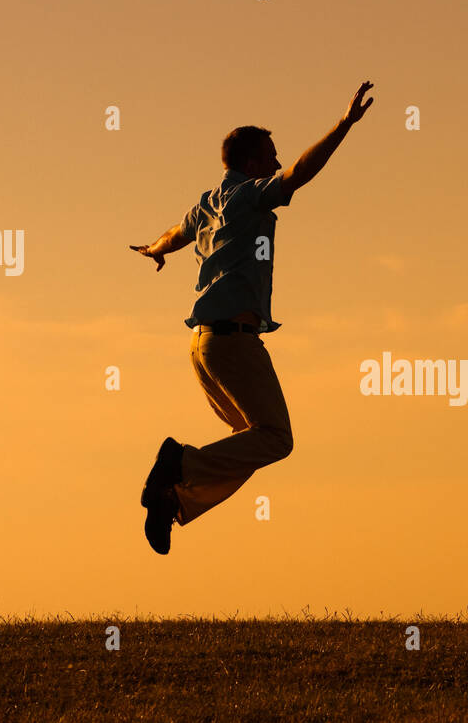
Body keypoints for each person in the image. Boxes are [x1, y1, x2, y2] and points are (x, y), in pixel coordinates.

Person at [129, 81, 376, 554]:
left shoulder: (207, 203)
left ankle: (171, 498)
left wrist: (153, 249)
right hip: (235, 343)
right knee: (276, 439)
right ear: (251, 164)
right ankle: (177, 466)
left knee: (249, 443)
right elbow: (301, 172)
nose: (278, 163)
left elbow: (175, 234)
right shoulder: (249, 197)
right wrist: (344, 125)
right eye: (271, 156)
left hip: (202, 346)